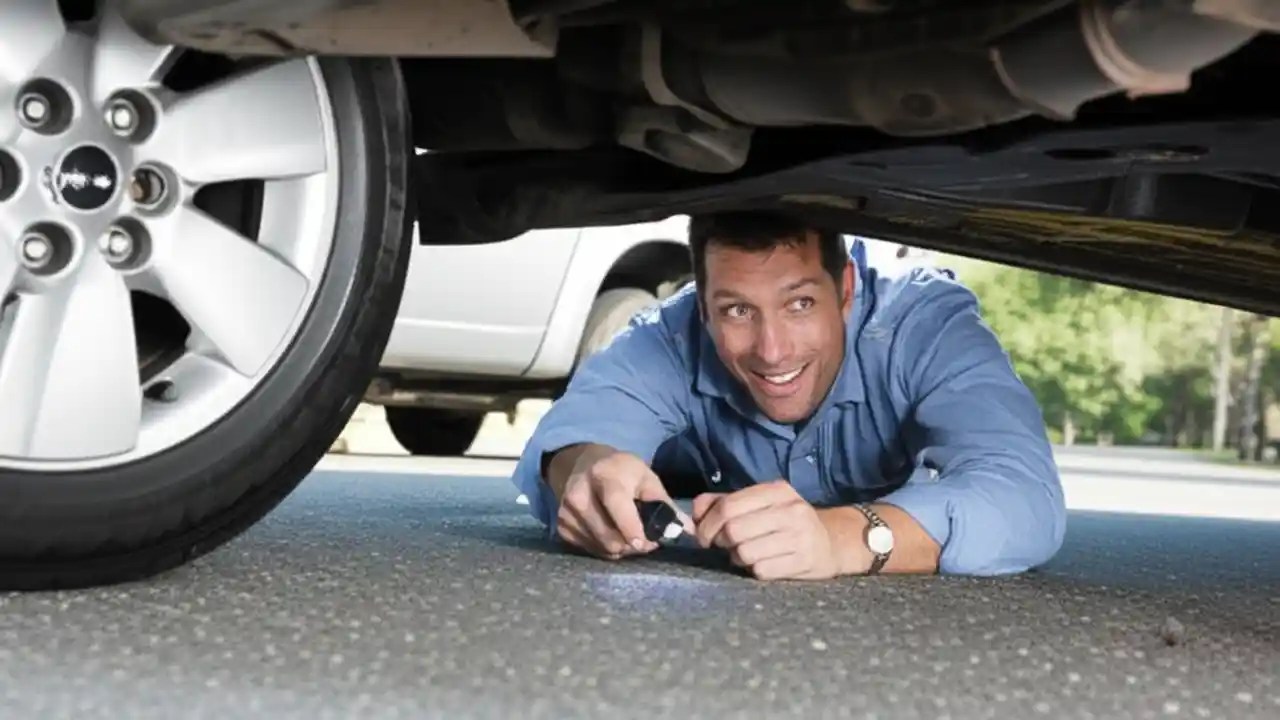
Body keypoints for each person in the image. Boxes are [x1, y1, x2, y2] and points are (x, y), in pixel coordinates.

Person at [509, 211, 1066, 579]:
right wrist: (584, 470)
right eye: (737, 311)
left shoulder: (924, 330)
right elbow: (572, 440)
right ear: (701, 307)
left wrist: (843, 538)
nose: (772, 351)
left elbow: (1024, 499)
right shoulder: (671, 335)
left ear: (846, 289)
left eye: (799, 303)